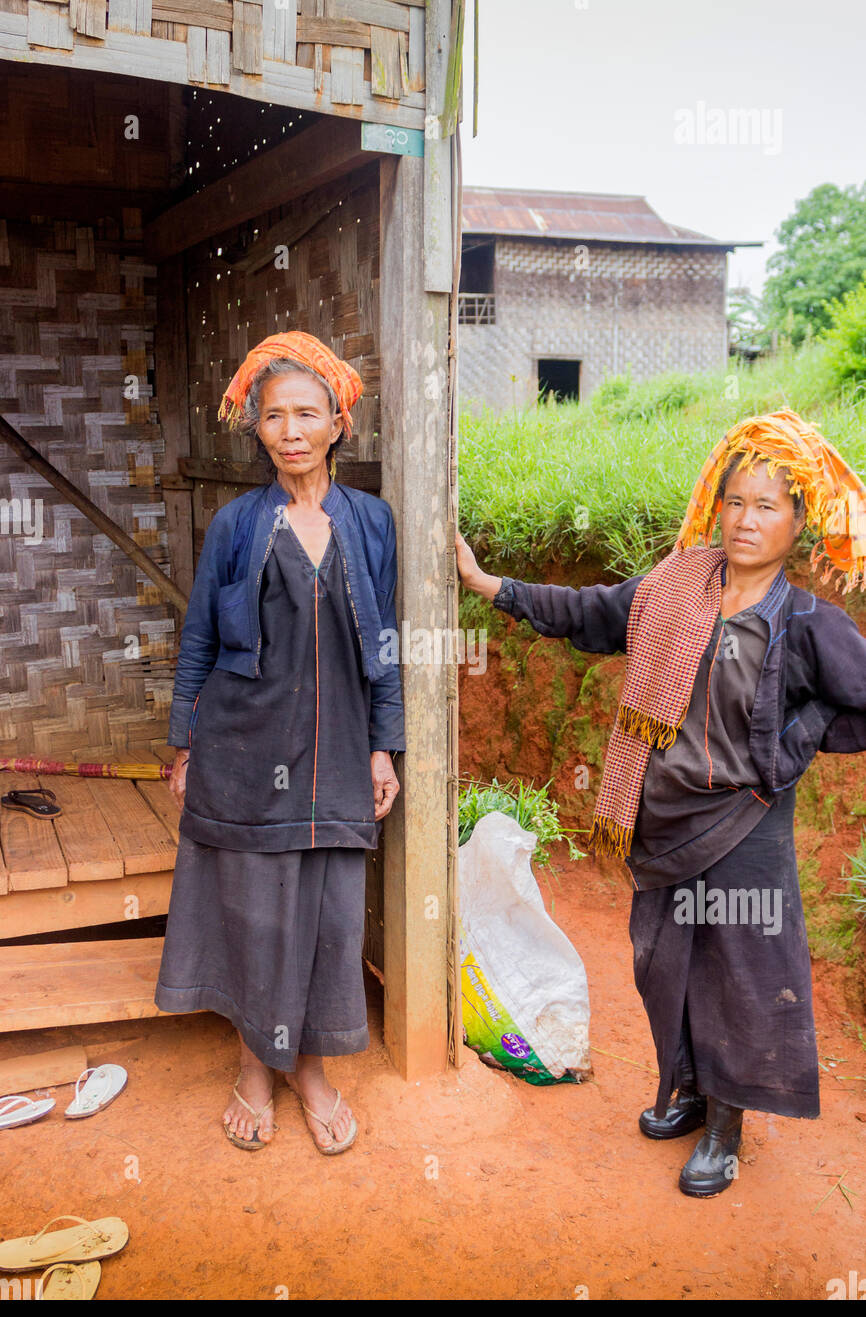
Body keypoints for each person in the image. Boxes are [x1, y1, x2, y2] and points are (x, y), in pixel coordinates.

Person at [456, 409, 866, 1196]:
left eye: (767, 506)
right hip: (663, 817)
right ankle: (687, 1092)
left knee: (737, 973)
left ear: (799, 522)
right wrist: (491, 585)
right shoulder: (673, 589)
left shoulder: (810, 622)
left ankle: (726, 1128)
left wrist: (793, 743)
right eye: (735, 501)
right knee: (663, 963)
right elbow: (593, 614)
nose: (746, 520)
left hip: (745, 825)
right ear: (718, 507)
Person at [155, 331, 405, 1155]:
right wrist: (184, 742)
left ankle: (312, 1072)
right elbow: (198, 637)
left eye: (308, 414)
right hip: (242, 743)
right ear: (257, 430)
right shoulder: (235, 524)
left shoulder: (370, 523)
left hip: (335, 754)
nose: (291, 431)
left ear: (339, 422)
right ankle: (254, 1070)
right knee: (253, 915)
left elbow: (388, 643)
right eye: (274, 417)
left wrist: (383, 746)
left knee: (331, 914)